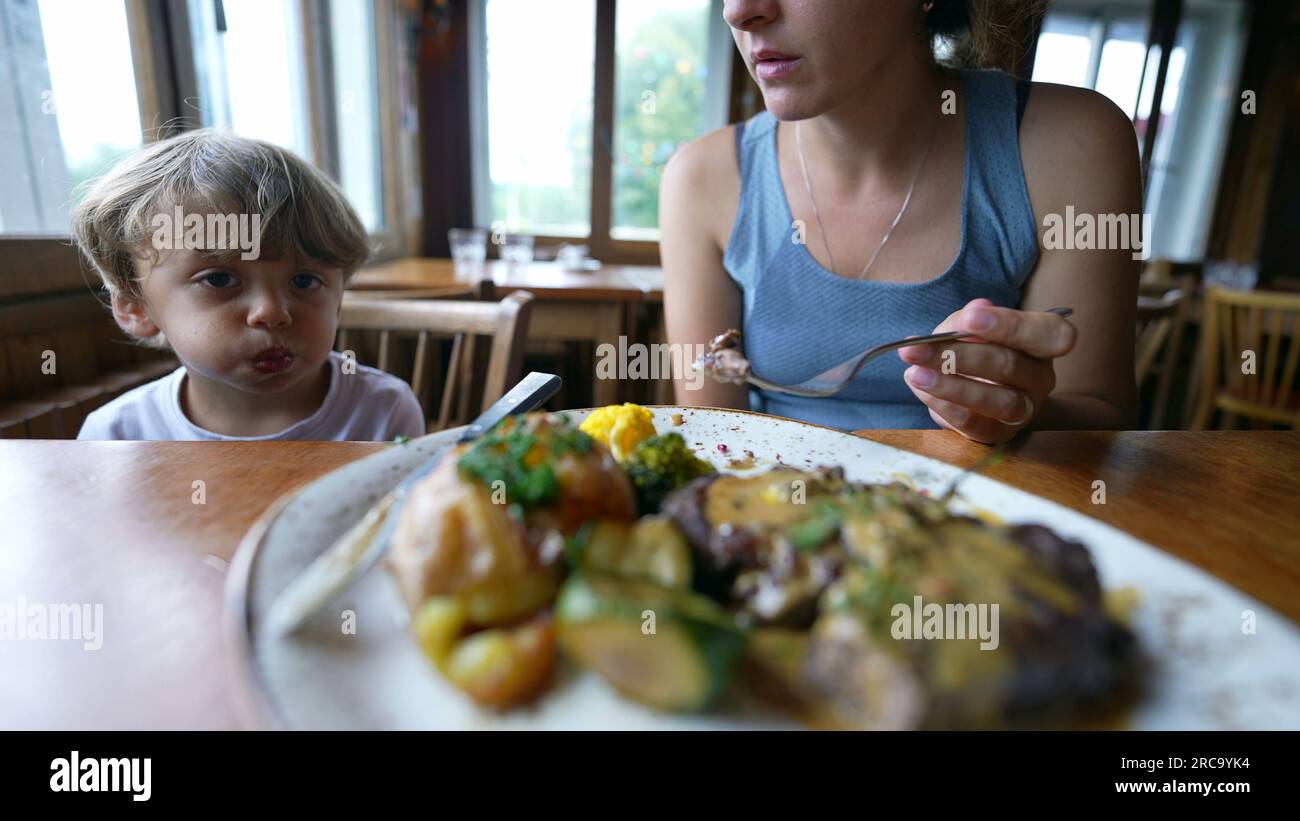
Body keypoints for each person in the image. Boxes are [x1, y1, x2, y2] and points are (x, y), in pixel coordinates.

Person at [661, 0, 1139, 443]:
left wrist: (1022, 416)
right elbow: (715, 440)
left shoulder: (1072, 144)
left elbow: (1103, 423)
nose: (740, 11)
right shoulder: (701, 179)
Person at [72, 129, 426, 441]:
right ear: (135, 306)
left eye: (305, 280)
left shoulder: (382, 413)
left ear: (338, 301)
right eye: (219, 279)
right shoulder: (117, 438)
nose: (272, 312)